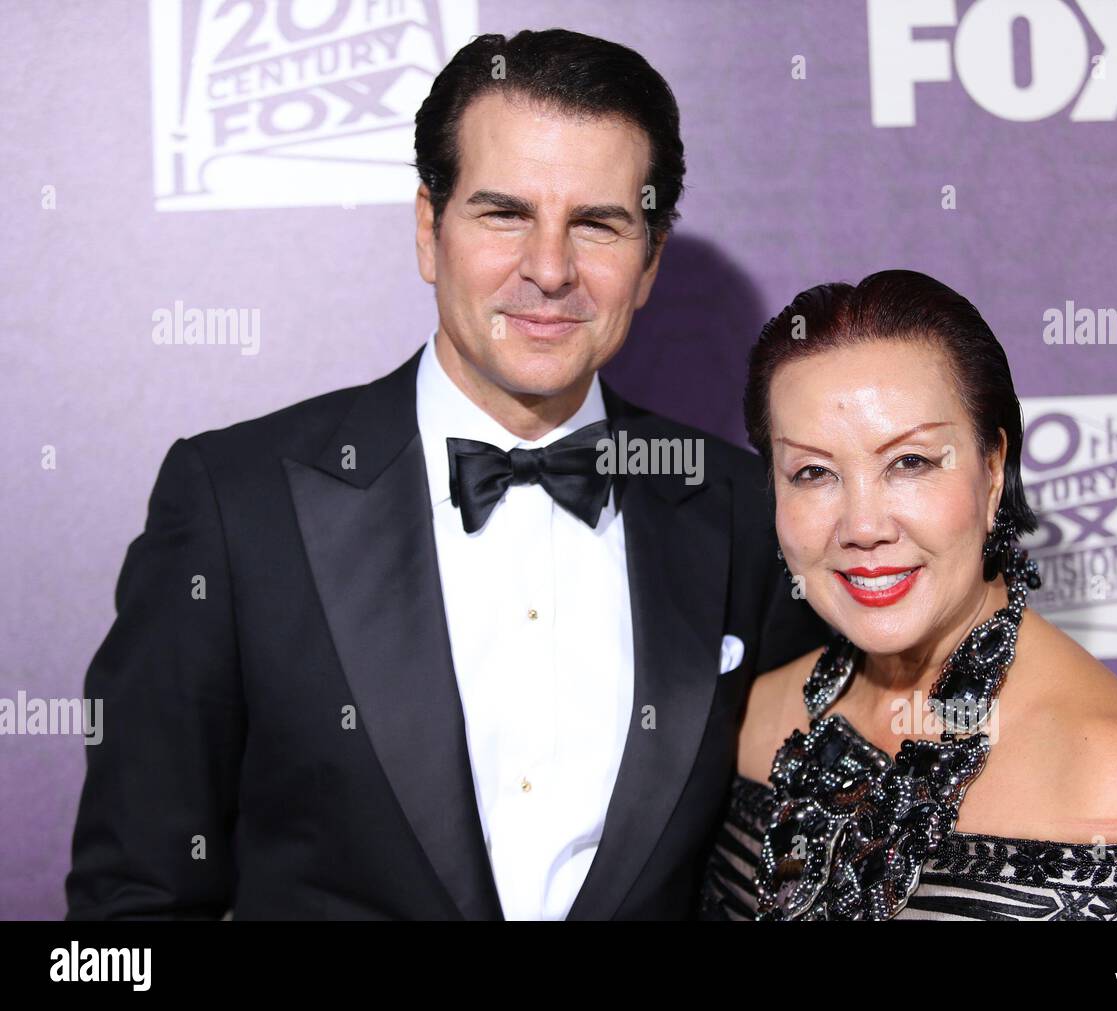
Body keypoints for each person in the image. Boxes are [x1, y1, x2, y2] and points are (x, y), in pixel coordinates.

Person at [65, 28, 824, 921]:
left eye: (597, 224)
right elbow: (134, 906)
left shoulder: (745, 512)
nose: (549, 269)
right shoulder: (237, 506)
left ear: (650, 261)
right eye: (504, 213)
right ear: (430, 229)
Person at [699, 270, 1117, 920]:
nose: (863, 527)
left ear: (992, 473)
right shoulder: (758, 715)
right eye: (813, 472)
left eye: (911, 462)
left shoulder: (1103, 766)